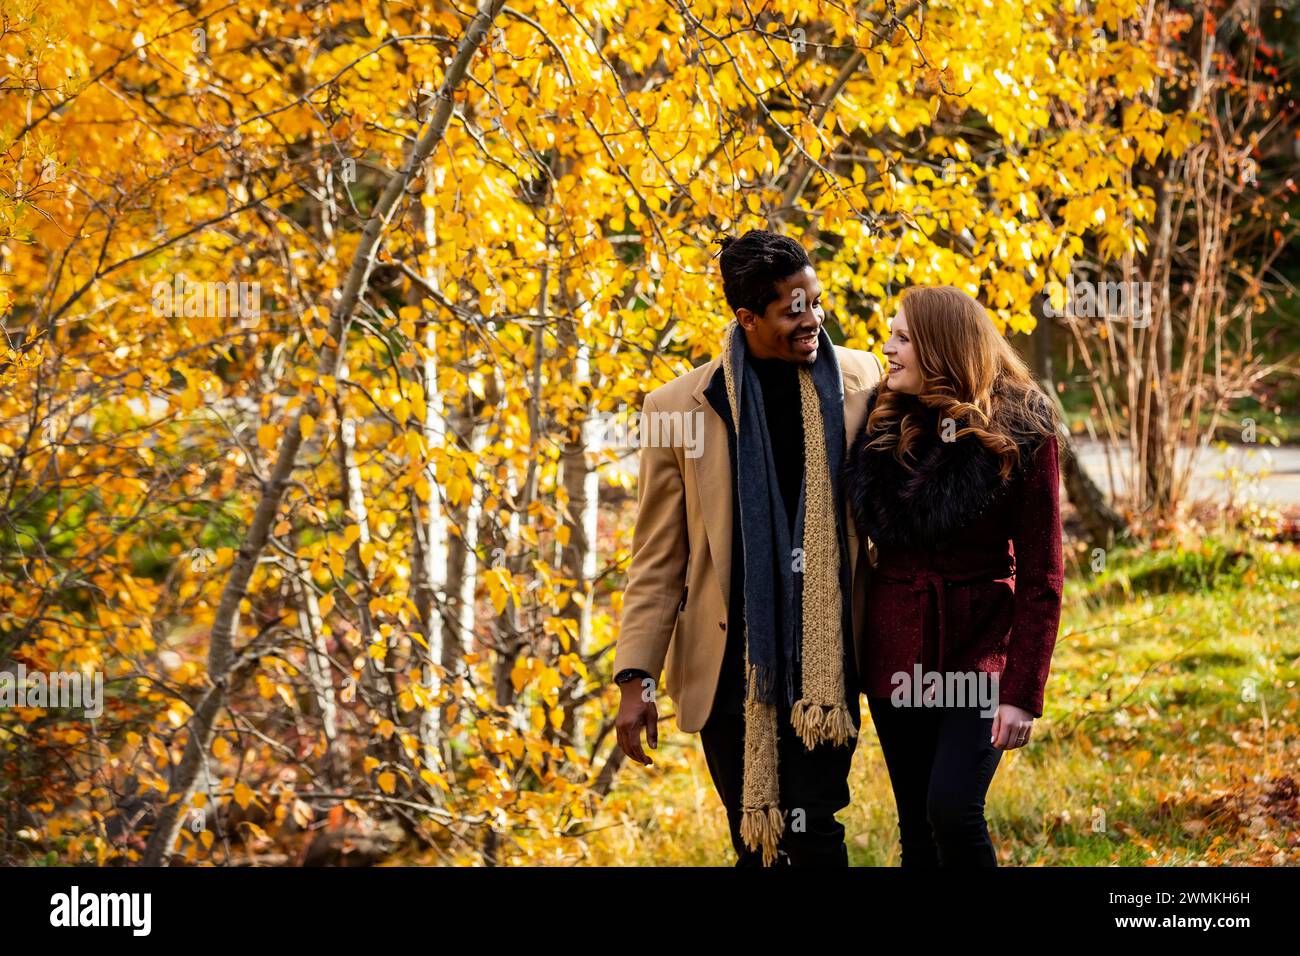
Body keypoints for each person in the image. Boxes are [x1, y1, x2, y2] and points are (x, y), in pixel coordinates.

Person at [611, 229, 883, 866]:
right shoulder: (680, 407)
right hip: (733, 666)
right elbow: (657, 555)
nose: (812, 319)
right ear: (747, 317)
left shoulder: (861, 379)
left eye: (817, 302)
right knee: (758, 845)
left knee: (812, 831)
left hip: (826, 661)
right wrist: (636, 678)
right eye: (793, 308)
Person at [842, 284, 1064, 867]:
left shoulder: (1021, 427)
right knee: (916, 824)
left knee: (954, 810)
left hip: (980, 652)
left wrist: (1022, 694)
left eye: (902, 338)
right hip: (896, 653)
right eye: (890, 335)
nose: (887, 350)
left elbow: (1043, 575)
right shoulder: (882, 423)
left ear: (942, 348)